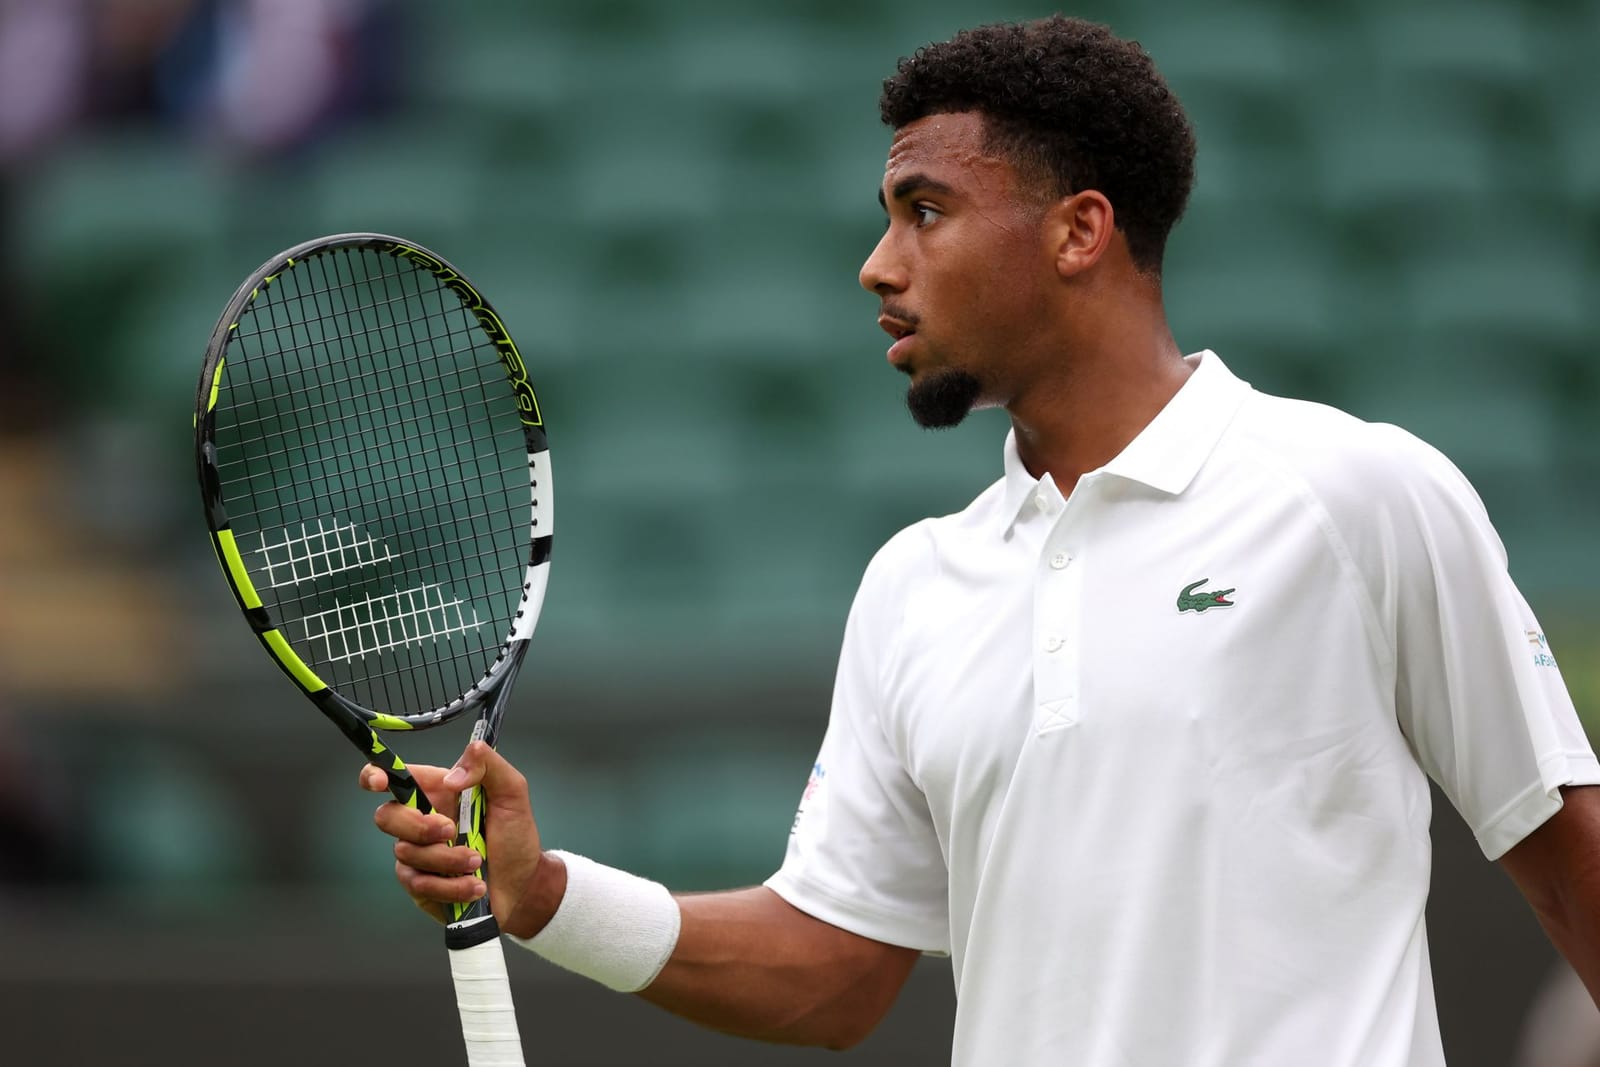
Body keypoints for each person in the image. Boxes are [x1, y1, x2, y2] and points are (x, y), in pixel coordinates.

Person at [361, 17, 1600, 1065]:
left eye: (926, 210)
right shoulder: (913, 587)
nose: (876, 265)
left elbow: (1565, 860)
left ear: (1078, 231)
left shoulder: (1360, 492)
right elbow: (831, 970)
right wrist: (542, 894)